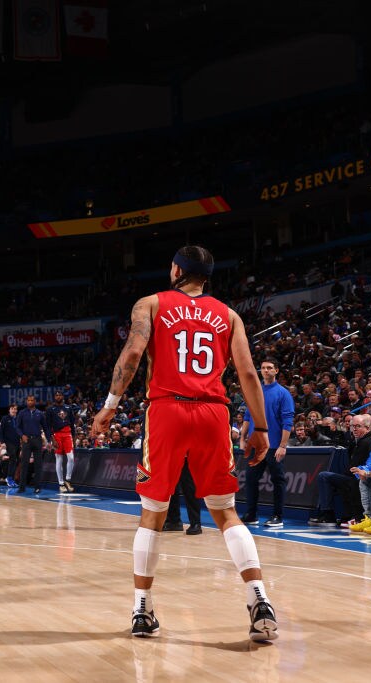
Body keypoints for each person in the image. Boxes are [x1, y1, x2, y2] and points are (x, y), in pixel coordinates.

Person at [90, 245, 278, 642]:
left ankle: (143, 608)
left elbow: (134, 351)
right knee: (226, 512)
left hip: (166, 411)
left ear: (176, 269)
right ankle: (258, 597)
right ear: (206, 276)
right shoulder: (229, 315)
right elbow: (246, 372)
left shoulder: (151, 304)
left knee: (153, 512)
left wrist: (110, 405)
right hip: (213, 412)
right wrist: (260, 428)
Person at [239, 358, 294, 529]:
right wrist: (242, 438)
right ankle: (251, 514)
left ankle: (278, 516)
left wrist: (283, 446)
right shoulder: (255, 391)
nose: (266, 371)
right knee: (250, 479)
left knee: (278, 481)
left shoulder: (283, 393)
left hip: (274, 445)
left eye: (270, 368)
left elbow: (287, 421)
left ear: (276, 371)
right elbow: (248, 416)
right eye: (263, 368)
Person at [308, 414, 371, 527]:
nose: (354, 429)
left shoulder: (370, 442)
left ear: (367, 428)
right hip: (352, 477)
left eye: (358, 426)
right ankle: (329, 514)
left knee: (325, 476)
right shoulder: (355, 442)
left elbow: (370, 464)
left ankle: (332, 515)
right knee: (325, 476)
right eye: (353, 426)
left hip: (363, 478)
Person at [16, 395, 49, 494]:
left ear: (35, 401)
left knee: (38, 465)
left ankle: (37, 487)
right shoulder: (22, 413)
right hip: (26, 441)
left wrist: (50, 441)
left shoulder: (40, 414)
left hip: (37, 440)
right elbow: (17, 427)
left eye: (32, 400)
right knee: (24, 464)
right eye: (28, 400)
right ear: (26, 401)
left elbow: (46, 428)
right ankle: (22, 487)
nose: (30, 402)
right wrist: (22, 435)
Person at [46, 390, 77, 492]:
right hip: (57, 435)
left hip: (68, 434)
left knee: (71, 458)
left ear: (63, 396)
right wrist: (52, 439)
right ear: (54, 397)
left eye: (60, 395)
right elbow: (48, 426)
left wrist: (74, 436)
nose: (58, 396)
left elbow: (72, 424)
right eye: (56, 395)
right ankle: (61, 484)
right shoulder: (50, 409)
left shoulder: (68, 408)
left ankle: (68, 480)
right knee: (59, 459)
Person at [163, 462, 202, 534]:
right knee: (171, 486)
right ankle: (173, 521)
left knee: (189, 486)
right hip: (172, 455)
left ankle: (195, 523)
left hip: (188, 455)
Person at [0, 403, 20, 488]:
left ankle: (11, 479)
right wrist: (2, 442)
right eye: (12, 409)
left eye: (15, 409)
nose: (14, 410)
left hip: (17, 442)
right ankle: (9, 478)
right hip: (8, 442)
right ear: (9, 410)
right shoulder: (5, 419)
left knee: (15, 461)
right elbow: (0, 431)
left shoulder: (18, 419)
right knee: (13, 458)